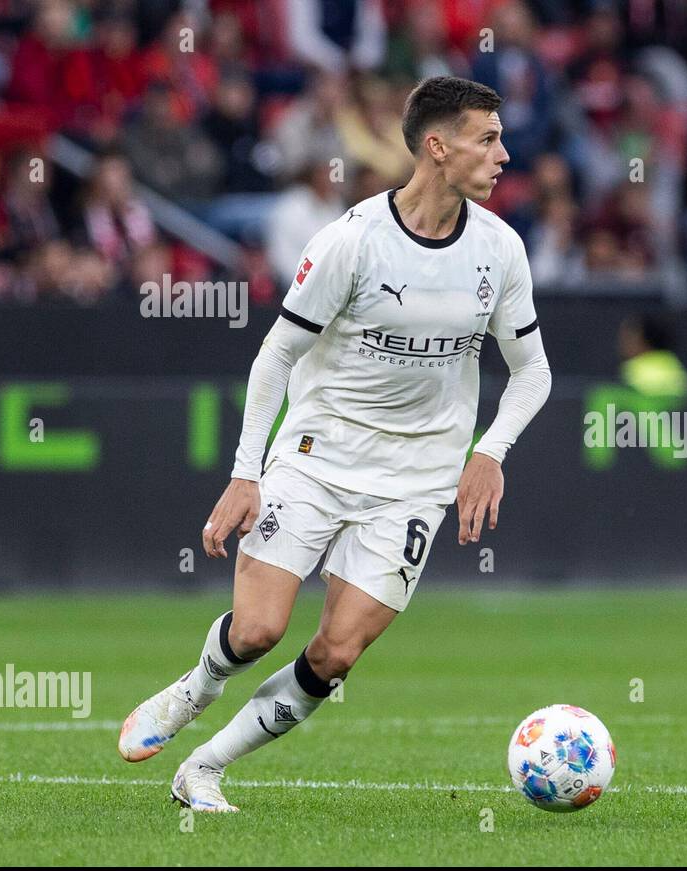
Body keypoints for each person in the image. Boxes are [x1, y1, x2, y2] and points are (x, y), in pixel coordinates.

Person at [118, 76, 552, 812]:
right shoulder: (352, 242)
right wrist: (245, 473)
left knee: (336, 653)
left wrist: (491, 450)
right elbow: (274, 357)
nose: (504, 154)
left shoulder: (501, 250)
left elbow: (532, 371)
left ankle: (205, 769)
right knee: (257, 631)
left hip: (415, 483)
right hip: (316, 460)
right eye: (489, 139)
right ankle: (199, 686)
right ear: (439, 148)